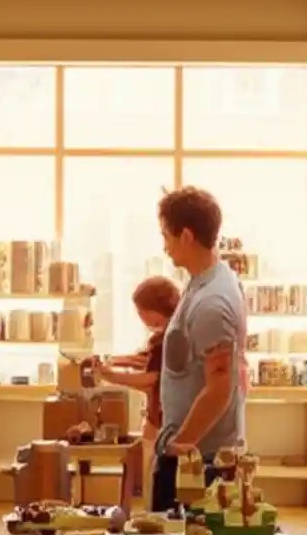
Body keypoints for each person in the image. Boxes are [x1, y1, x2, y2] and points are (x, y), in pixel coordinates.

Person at [151, 187, 248, 508]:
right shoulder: (205, 281)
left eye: (166, 235)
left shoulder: (211, 302)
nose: (164, 246)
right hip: (193, 453)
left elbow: (220, 387)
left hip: (198, 461)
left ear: (186, 236)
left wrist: (179, 445)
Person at [92, 276, 181, 506]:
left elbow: (151, 380)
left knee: (154, 479)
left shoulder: (168, 337)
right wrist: (112, 361)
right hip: (160, 417)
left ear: (153, 311)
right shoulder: (167, 333)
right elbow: (145, 360)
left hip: (164, 419)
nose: (140, 317)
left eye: (141, 311)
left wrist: (110, 375)